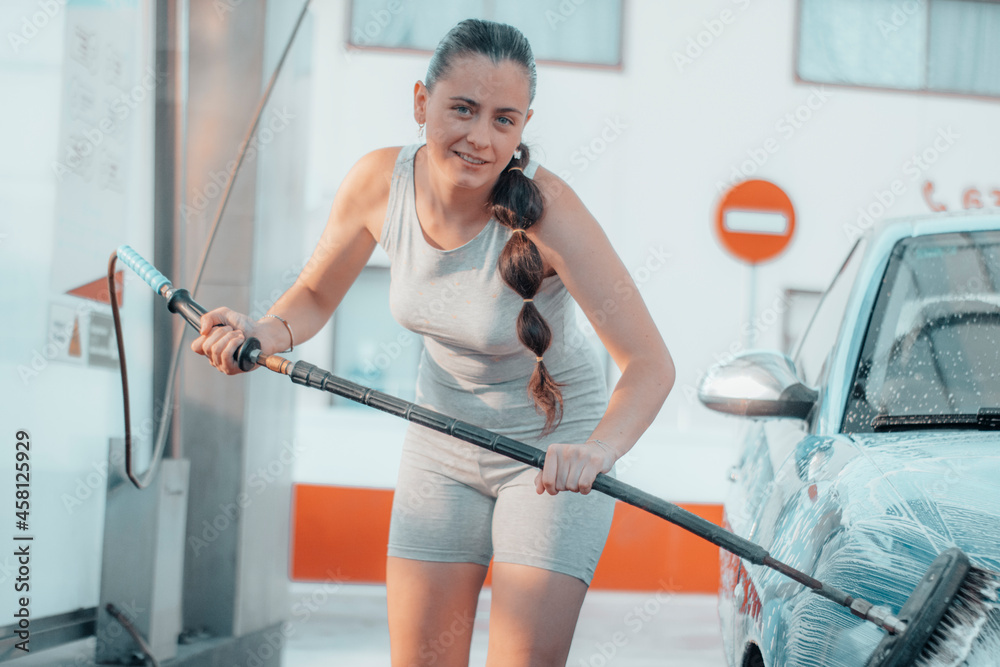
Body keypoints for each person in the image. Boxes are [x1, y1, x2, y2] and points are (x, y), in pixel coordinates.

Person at [191, 18, 675, 667]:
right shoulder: (378, 183)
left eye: (503, 120)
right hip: (440, 443)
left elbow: (649, 364)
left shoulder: (551, 211)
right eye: (462, 109)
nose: (480, 137)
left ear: (524, 127)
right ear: (421, 102)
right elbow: (313, 296)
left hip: (551, 454)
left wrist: (597, 450)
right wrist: (259, 331)